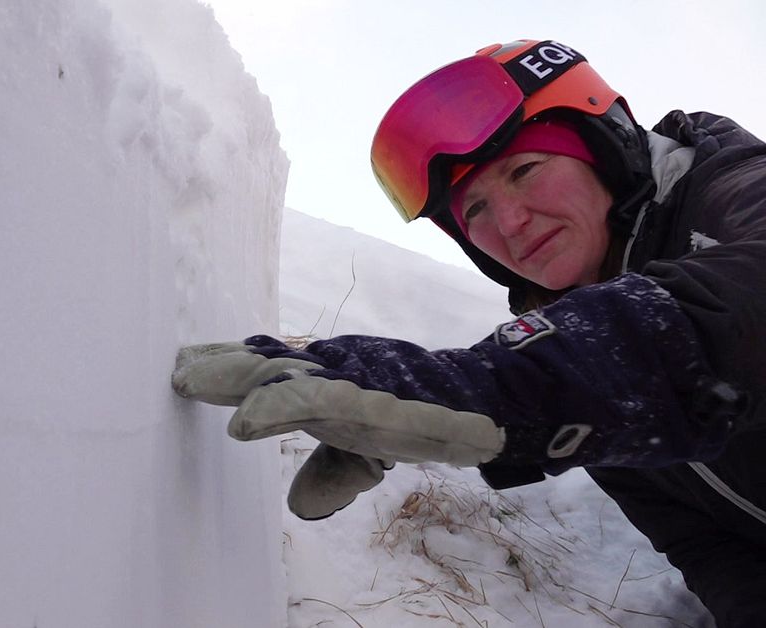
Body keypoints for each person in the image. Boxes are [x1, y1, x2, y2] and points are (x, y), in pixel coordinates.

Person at [172, 39, 766, 626]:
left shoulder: (734, 189)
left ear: (606, 146)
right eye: (474, 210)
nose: (508, 222)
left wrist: (488, 385)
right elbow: (703, 543)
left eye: (525, 170)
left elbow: (737, 308)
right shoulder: (595, 383)